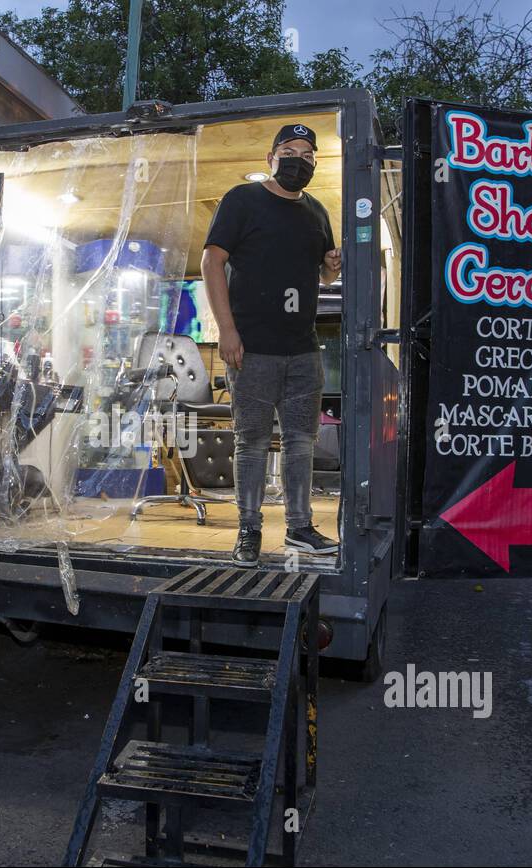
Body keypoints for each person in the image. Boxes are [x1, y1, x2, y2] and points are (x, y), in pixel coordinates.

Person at [201, 123, 342, 567]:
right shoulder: (242, 200)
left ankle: (300, 528)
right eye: (289, 149)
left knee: (302, 442)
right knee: (253, 443)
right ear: (270, 157)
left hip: (303, 350)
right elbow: (211, 260)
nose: (298, 158)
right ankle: (249, 530)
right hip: (251, 348)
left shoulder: (318, 212)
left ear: (315, 162)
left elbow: (322, 276)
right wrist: (227, 330)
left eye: (307, 152)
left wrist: (332, 270)